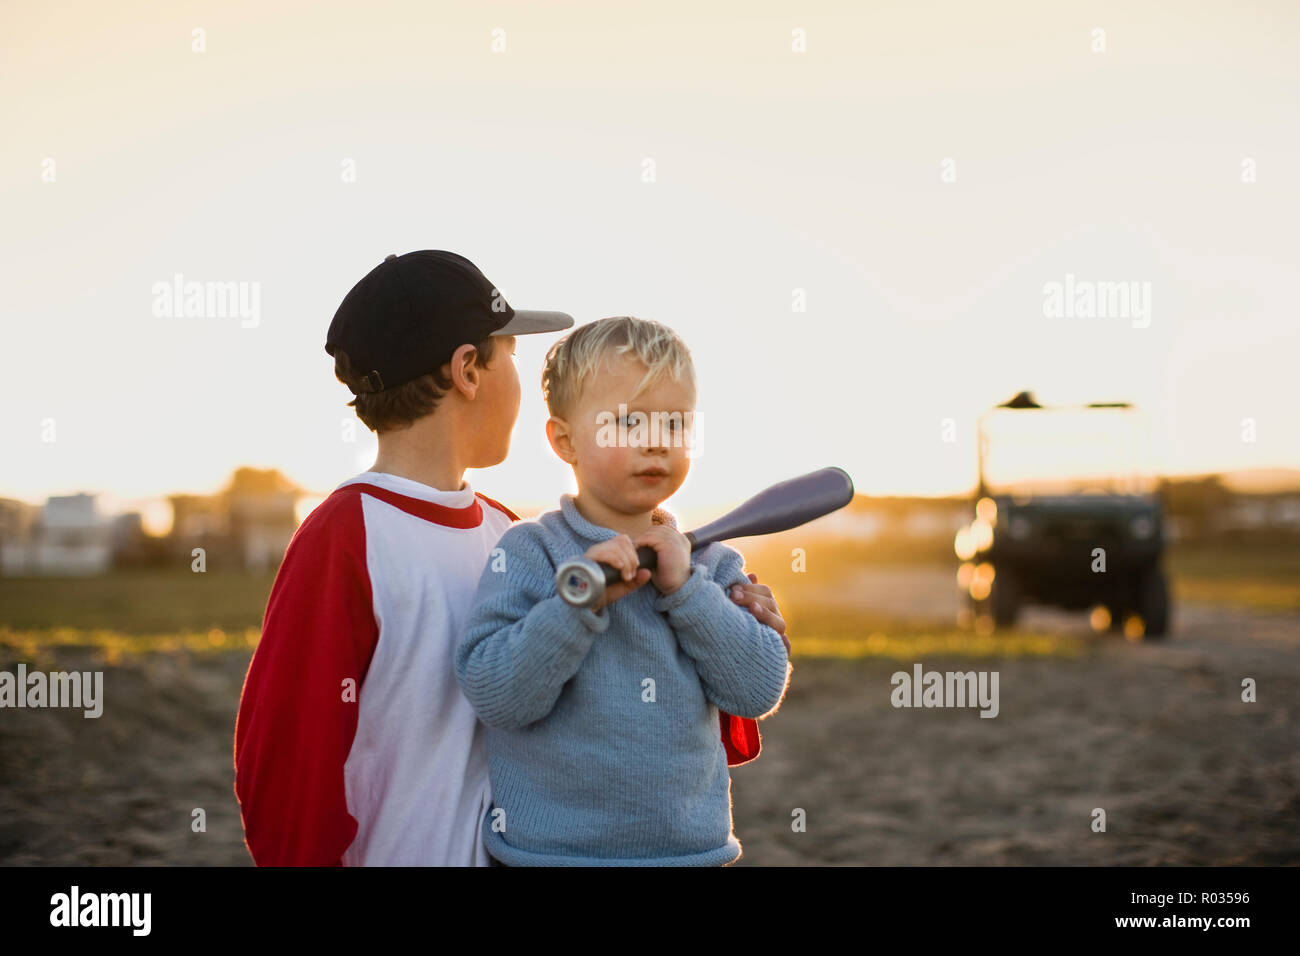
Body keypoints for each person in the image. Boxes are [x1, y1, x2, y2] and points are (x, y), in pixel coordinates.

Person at [232, 252, 788, 865]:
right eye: (514, 357)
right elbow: (287, 753)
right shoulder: (346, 534)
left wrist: (722, 611)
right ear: (469, 369)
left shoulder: (504, 528)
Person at [455, 316, 792, 866]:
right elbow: (498, 696)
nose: (656, 443)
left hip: (688, 854)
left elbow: (757, 689)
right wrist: (575, 605)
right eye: (628, 423)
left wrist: (688, 592)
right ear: (565, 440)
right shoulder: (529, 553)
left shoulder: (711, 562)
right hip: (552, 855)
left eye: (675, 424)